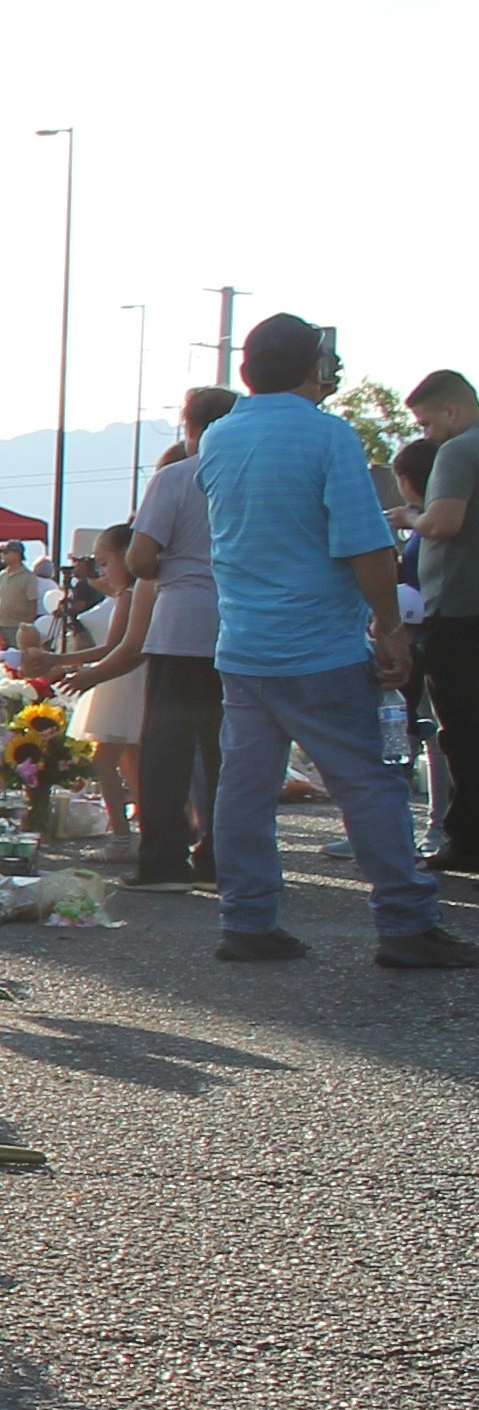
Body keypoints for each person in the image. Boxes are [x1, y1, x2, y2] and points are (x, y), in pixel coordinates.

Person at [195, 314, 470, 966]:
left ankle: (248, 920)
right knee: (369, 784)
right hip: (319, 643)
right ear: (315, 368)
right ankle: (405, 924)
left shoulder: (219, 438)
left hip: (243, 644)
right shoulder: (328, 436)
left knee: (245, 788)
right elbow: (366, 548)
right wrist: (392, 631)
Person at [77, 385, 235, 888]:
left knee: (167, 748)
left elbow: (141, 560)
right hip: (241, 623)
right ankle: (222, 857)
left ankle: (164, 858)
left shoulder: (176, 477)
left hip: (182, 623)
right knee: (226, 750)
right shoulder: (251, 475)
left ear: (188, 427)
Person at [408, 368, 479, 873]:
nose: (426, 435)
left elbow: (445, 522)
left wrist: (412, 518)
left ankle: (468, 840)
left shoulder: (459, 452)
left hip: (458, 609)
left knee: (462, 731)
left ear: (452, 411)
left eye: (428, 423)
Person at [54, 524, 145, 819]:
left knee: (105, 762)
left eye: (105, 563)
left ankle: (120, 832)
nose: (102, 570)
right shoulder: (130, 592)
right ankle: (145, 824)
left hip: (120, 681)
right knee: (131, 760)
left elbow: (110, 649)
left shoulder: (130, 596)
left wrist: (57, 661)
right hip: (125, 681)